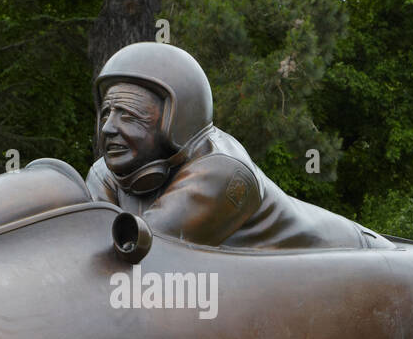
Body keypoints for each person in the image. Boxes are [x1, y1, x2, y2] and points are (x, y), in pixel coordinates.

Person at [86, 42, 368, 250]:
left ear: (176, 122)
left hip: (350, 254)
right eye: (107, 113)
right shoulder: (106, 172)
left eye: (129, 116)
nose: (109, 128)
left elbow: (143, 252)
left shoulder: (223, 170)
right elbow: (87, 244)